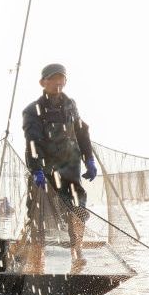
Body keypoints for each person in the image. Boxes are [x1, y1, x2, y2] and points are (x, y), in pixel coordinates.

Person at [21, 63, 97, 272]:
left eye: (61, 79)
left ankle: (77, 254)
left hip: (71, 169)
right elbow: (33, 142)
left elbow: (82, 132)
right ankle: (38, 263)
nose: (57, 83)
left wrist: (89, 159)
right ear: (42, 82)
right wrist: (36, 169)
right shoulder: (32, 110)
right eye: (53, 79)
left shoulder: (70, 104)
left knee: (78, 210)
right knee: (38, 216)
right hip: (44, 172)